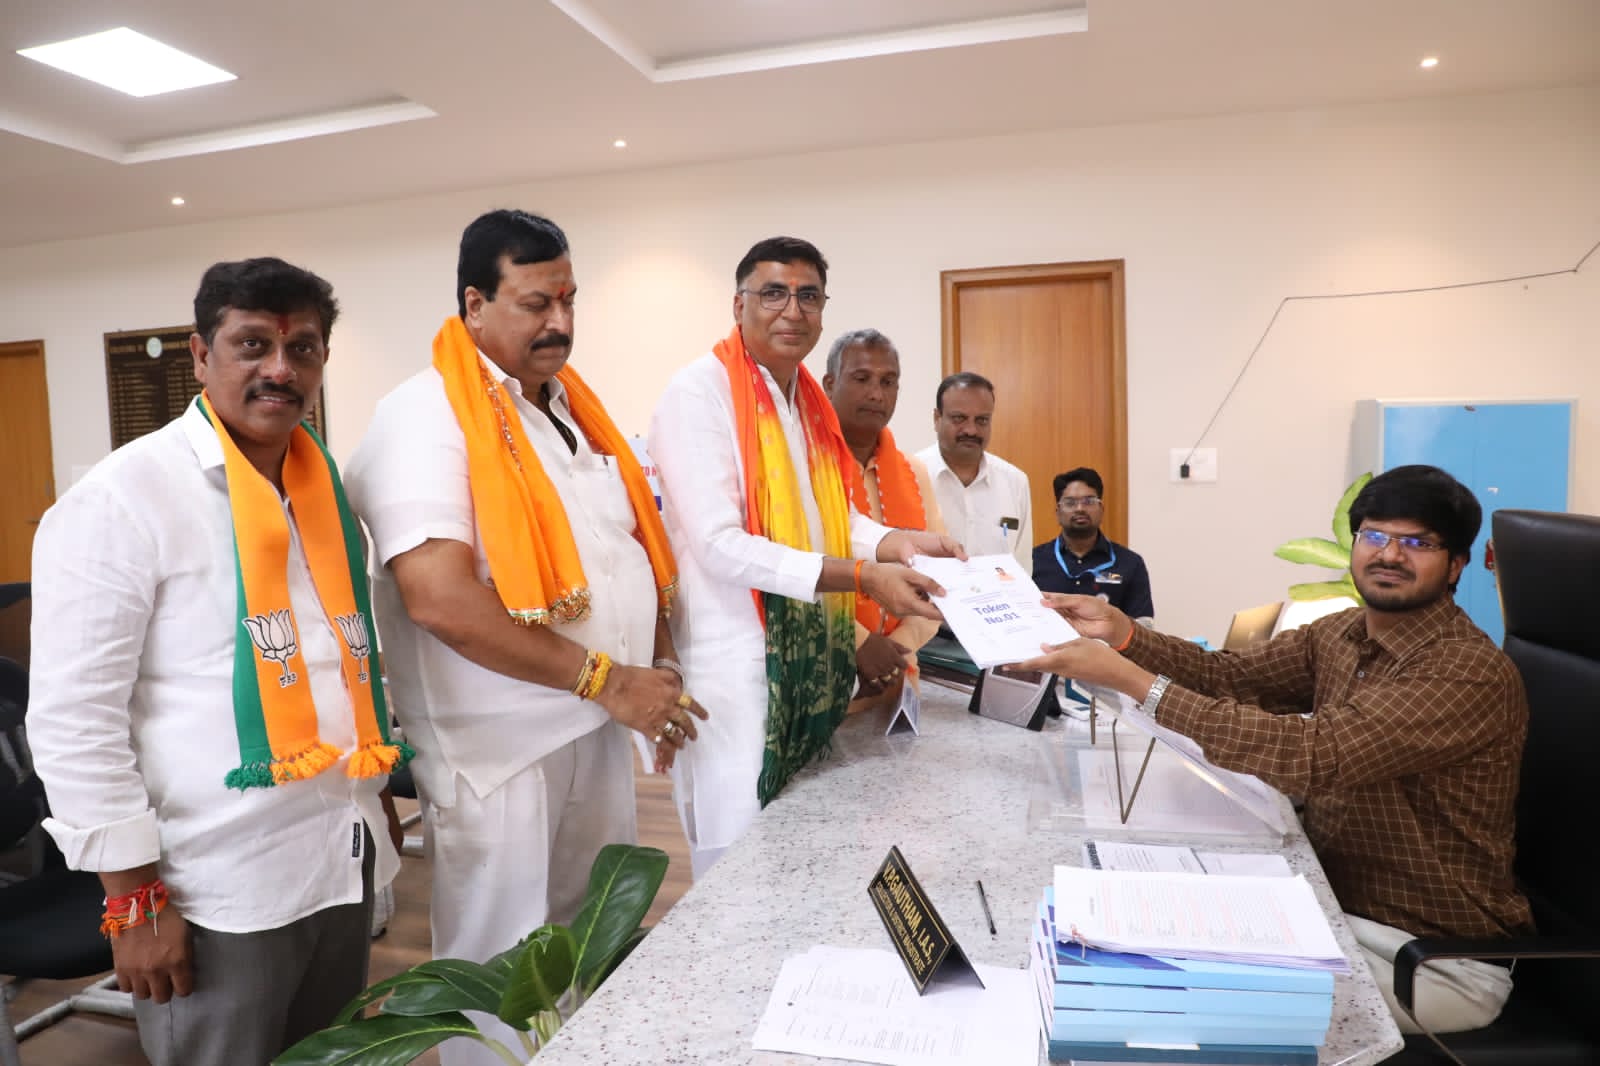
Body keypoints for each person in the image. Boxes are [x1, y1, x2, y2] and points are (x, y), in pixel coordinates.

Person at [344, 210, 704, 1066]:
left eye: (570, 299)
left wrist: (646, 672)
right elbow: (440, 601)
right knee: (500, 962)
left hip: (587, 724)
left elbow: (620, 554)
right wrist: (608, 680)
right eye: (537, 301)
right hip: (498, 748)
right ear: (474, 304)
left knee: (584, 942)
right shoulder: (425, 415)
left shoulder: (566, 410)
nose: (562, 322)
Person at [29, 258, 408, 1065]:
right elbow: (73, 719)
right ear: (201, 356)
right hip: (217, 889)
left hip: (339, 860)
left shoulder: (326, 495)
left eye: (302, 348)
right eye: (252, 344)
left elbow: (345, 665)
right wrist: (133, 904)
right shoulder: (124, 500)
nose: (280, 368)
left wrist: (371, 806)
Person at [1018, 465, 1531, 1035]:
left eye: (1417, 542)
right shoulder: (1342, 633)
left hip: (1432, 959)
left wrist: (1133, 680)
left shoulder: (1465, 671)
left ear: (1456, 563)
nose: (1390, 554)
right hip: (1332, 909)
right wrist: (1125, 636)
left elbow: (1313, 754)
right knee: (1131, 927)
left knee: (1164, 989)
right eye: (1375, 535)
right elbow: (1226, 676)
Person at [649, 237, 960, 877]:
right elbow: (717, 545)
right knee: (737, 869)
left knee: (797, 856)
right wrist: (864, 574)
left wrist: (891, 542)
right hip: (734, 668)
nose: (793, 310)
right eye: (773, 293)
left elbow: (824, 515)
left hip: (805, 660)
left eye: (808, 296)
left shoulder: (802, 401)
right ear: (739, 305)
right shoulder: (699, 394)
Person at [821, 328, 948, 716]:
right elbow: (794, 571)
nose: (877, 393)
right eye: (861, 379)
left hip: (899, 680)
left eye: (888, 382)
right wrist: (859, 642)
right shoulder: (806, 468)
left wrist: (899, 650)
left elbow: (938, 579)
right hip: (826, 679)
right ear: (829, 384)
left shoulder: (914, 471)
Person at [915, 372, 1033, 572]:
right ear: (937, 418)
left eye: (982, 420)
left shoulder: (1015, 481)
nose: (971, 430)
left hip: (998, 602)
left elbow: (1022, 566)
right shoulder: (909, 475)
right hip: (925, 602)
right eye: (959, 418)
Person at [1032, 466, 1154, 623]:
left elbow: (1143, 628)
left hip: (1108, 648)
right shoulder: (1033, 561)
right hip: (1050, 647)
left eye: (1089, 501)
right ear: (1058, 512)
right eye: (1070, 503)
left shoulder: (1130, 563)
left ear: (1101, 509)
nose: (1080, 508)